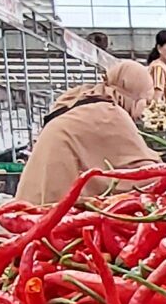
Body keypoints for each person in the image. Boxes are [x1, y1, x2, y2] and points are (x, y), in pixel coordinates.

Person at [20, 60, 157, 208]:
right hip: (56, 208)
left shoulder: (87, 101)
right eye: (146, 101)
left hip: (31, 202)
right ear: (134, 95)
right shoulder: (110, 113)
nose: (144, 111)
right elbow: (146, 173)